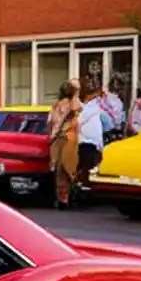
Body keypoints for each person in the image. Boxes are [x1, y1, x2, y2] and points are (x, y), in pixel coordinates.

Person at [46, 80, 83, 209]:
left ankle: (63, 197)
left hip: (62, 139)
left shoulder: (61, 105)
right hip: (66, 139)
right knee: (64, 170)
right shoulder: (68, 105)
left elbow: (51, 122)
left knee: (62, 170)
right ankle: (64, 198)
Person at [78, 86, 105, 192]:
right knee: (87, 166)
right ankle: (84, 186)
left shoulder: (91, 108)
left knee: (87, 166)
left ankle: (84, 185)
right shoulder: (91, 108)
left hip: (89, 141)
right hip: (88, 141)